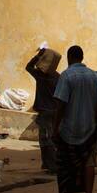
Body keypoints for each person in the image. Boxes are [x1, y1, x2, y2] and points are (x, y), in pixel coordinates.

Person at [51, 45, 97, 193]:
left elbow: (60, 104)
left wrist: (55, 128)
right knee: (89, 164)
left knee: (63, 166)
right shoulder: (93, 76)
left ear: (69, 58)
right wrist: (95, 119)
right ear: (82, 58)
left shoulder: (66, 76)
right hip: (88, 131)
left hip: (68, 130)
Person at [26, 45, 61, 173]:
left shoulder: (41, 75)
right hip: (55, 111)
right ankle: (47, 163)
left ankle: (52, 165)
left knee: (46, 138)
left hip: (45, 111)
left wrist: (39, 56)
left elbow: (28, 67)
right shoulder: (58, 76)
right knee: (48, 137)